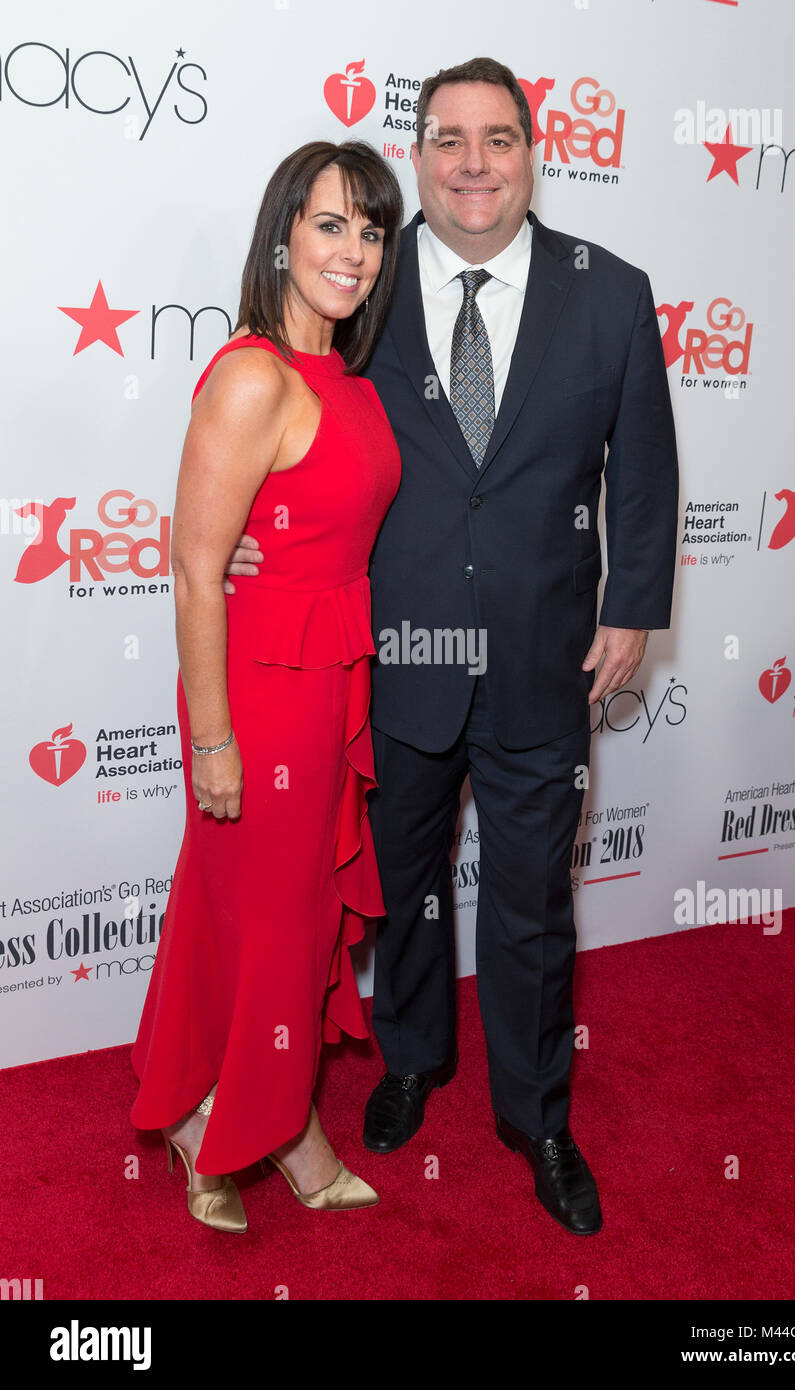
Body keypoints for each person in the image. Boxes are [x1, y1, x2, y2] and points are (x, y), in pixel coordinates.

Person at [226, 58, 679, 1236]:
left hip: (547, 660)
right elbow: (282, 415)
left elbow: (644, 471)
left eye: (496, 138)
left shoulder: (609, 292)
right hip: (393, 656)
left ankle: (536, 1117)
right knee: (404, 890)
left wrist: (632, 604)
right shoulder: (359, 294)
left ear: (535, 152)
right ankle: (412, 1061)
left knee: (532, 900)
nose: (472, 162)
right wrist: (238, 534)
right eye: (446, 140)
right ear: (416, 157)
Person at [130, 141, 404, 1230]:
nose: (352, 251)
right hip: (260, 691)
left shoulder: (338, 373)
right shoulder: (253, 373)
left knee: (256, 915)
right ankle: (262, 1130)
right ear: (281, 234)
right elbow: (197, 564)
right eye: (330, 224)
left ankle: (227, 1117)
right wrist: (213, 740)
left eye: (371, 230)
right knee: (271, 926)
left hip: (329, 674)